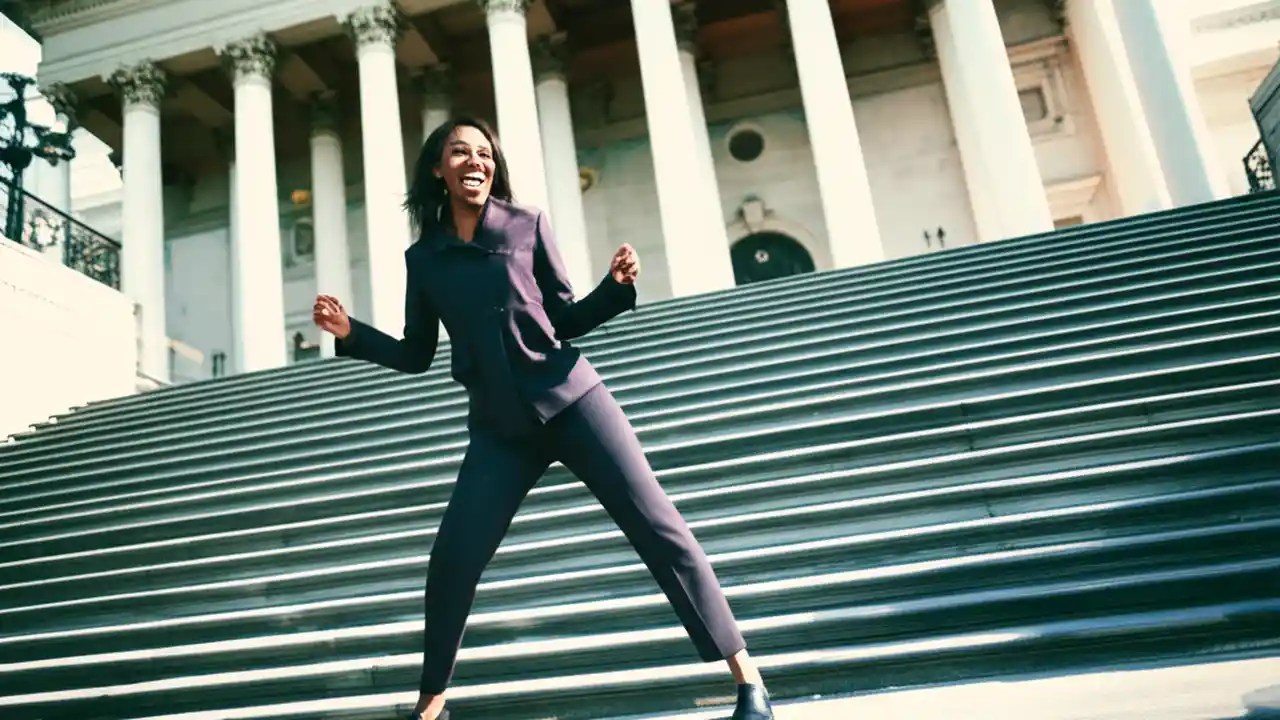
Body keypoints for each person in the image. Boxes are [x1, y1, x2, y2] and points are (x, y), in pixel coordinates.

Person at [313, 117, 773, 720]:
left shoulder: (526, 224)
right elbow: (417, 353)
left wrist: (614, 288)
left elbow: (566, 317)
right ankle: (432, 706)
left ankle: (749, 680)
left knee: (658, 527)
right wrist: (352, 334)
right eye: (459, 152)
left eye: (484, 153)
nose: (474, 161)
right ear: (437, 169)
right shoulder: (424, 259)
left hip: (574, 402)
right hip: (501, 430)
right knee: (452, 558)